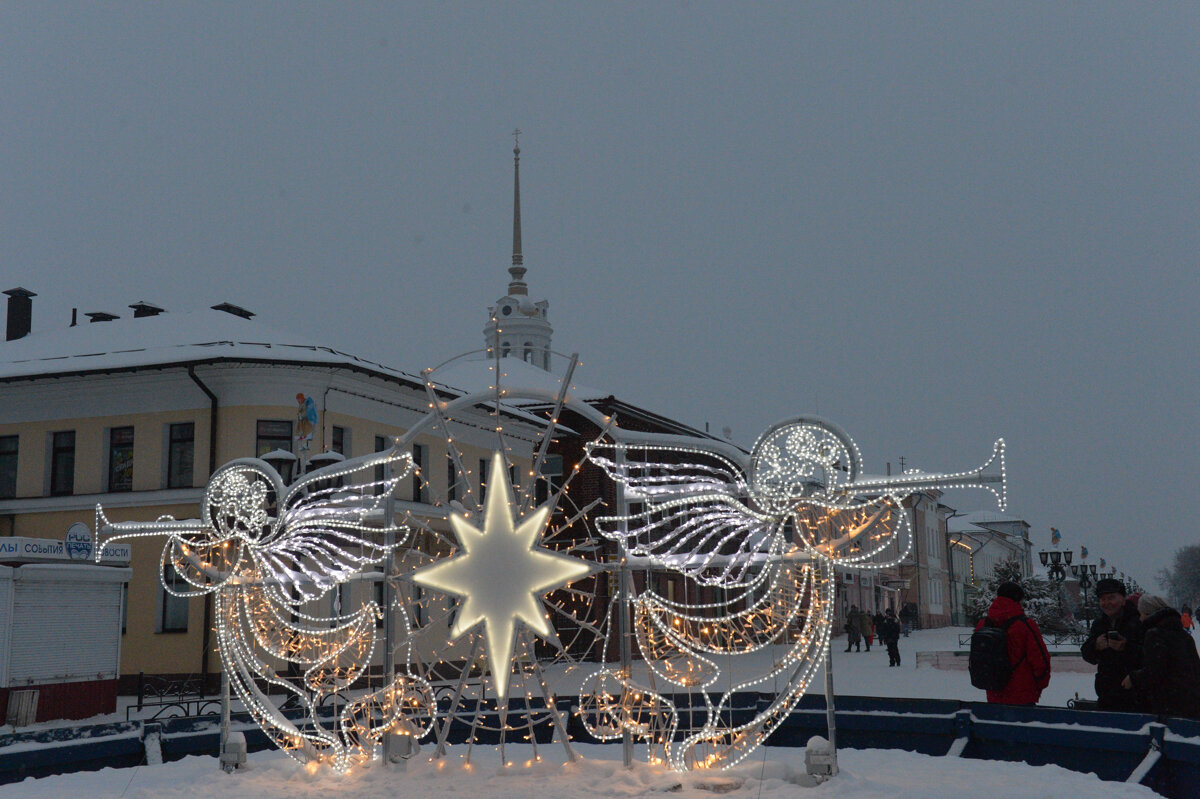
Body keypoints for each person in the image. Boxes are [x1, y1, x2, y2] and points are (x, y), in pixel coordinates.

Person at [1122, 595, 1200, 718]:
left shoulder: (1155, 635)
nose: (1140, 619)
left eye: (1141, 614)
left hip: (1170, 703)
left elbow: (1155, 671)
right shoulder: (1183, 635)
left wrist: (1133, 678)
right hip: (1190, 701)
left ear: (1149, 613)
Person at [975, 581, 1051, 705]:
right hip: (1022, 696)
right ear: (1017, 600)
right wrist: (1039, 685)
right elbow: (1040, 660)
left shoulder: (983, 625)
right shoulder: (1025, 625)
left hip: (994, 694)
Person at [1080, 577, 1144, 712]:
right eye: (1103, 599)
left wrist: (1126, 647)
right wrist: (1095, 646)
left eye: (1111, 598)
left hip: (1136, 695)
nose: (1107, 603)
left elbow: (1151, 656)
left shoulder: (1139, 621)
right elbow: (1087, 655)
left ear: (1123, 599)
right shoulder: (1099, 624)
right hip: (1107, 693)